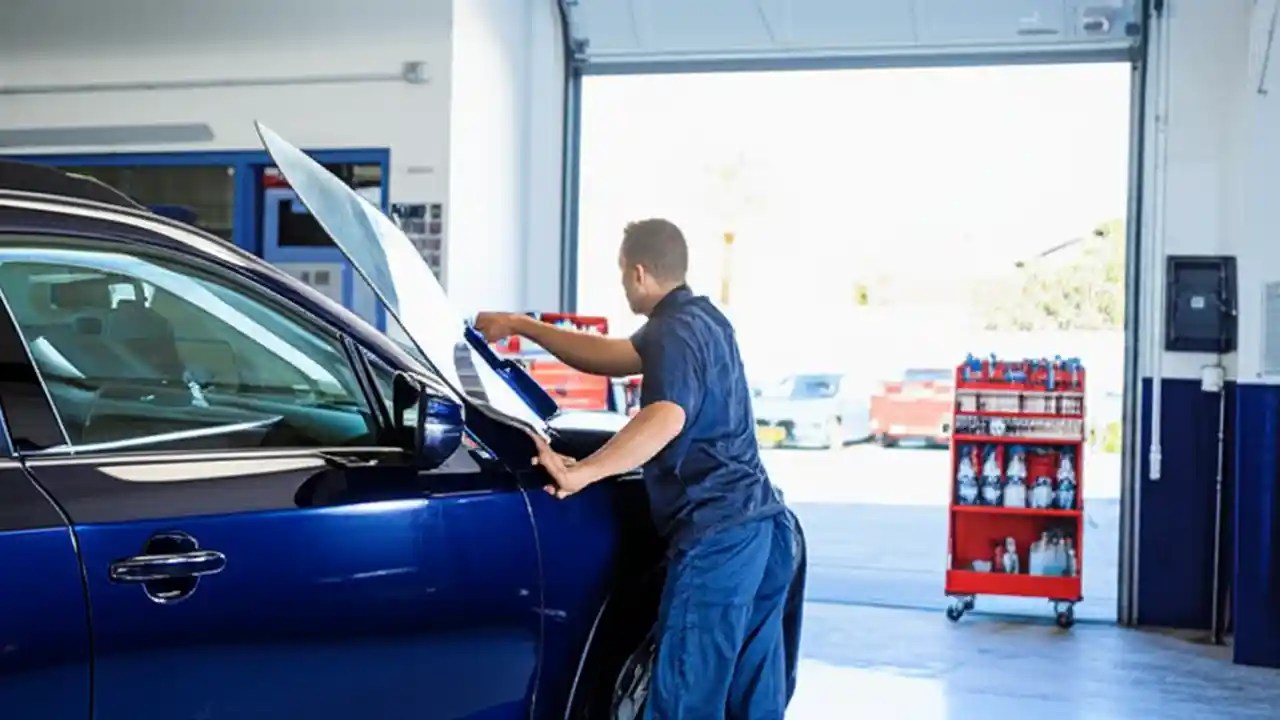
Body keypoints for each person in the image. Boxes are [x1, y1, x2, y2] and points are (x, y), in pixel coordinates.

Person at [474, 218, 804, 719]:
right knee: (751, 700)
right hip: (764, 529)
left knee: (686, 700)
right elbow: (613, 356)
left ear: (638, 274)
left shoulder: (672, 332)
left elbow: (665, 416)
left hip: (718, 539)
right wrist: (521, 326)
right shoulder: (703, 319)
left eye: (622, 271)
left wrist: (583, 472)